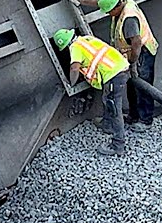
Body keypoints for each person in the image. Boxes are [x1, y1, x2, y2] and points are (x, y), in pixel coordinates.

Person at [70, 0, 160, 131]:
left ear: (115, 8)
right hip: (130, 54)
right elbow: (99, 1)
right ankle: (133, 116)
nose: (107, 14)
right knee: (131, 85)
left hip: (142, 53)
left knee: (142, 85)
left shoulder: (129, 19)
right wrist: (80, 0)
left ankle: (145, 120)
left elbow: (136, 44)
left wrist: (134, 64)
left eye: (108, 12)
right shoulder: (119, 0)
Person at [53, 28, 130, 157]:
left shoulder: (75, 48)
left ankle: (118, 144)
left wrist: (70, 84)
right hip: (120, 67)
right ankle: (107, 124)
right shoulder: (87, 39)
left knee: (114, 108)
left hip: (113, 75)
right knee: (107, 99)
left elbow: (74, 67)